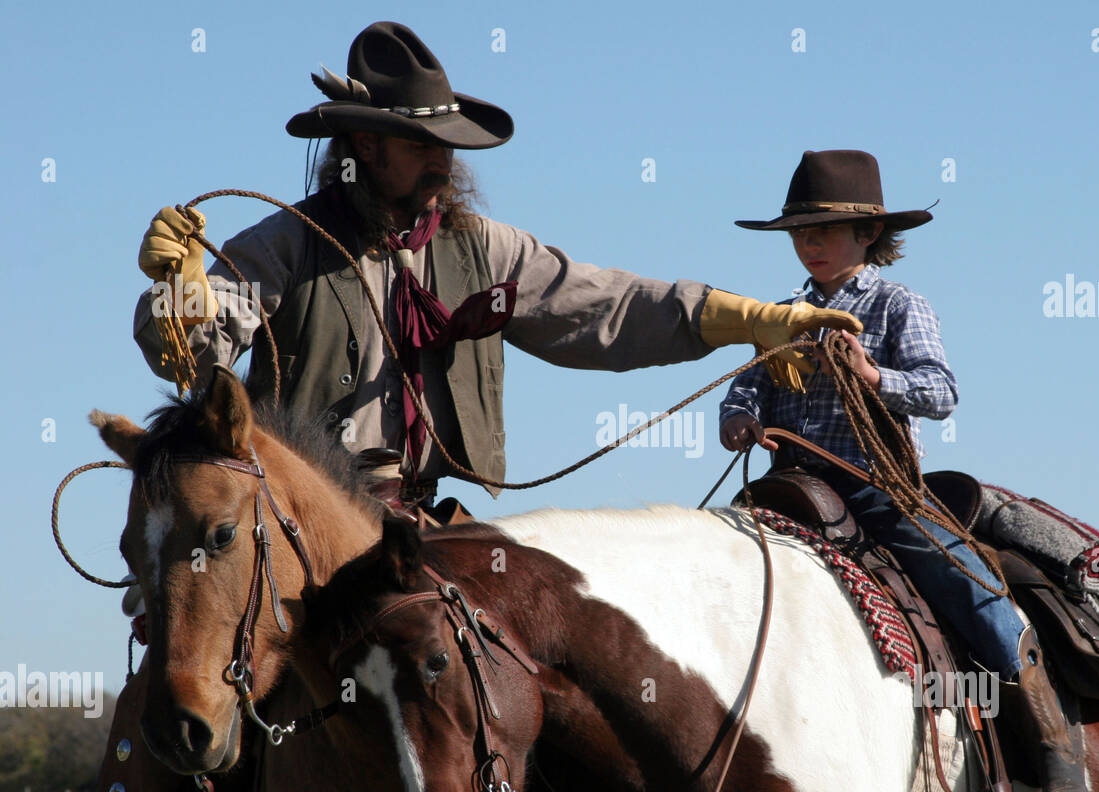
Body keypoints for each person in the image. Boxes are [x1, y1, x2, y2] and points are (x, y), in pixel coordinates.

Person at [133, 20, 860, 503]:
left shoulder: (485, 249)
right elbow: (190, 356)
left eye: (448, 147)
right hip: (302, 524)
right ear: (363, 147)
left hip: (425, 527)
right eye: (423, 146)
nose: (442, 163)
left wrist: (748, 319)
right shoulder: (288, 242)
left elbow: (607, 307)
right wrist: (180, 294)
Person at [718, 149, 1091, 792]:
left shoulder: (897, 306)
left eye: (823, 231)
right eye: (800, 233)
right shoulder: (777, 316)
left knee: (968, 585)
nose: (809, 244)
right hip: (788, 489)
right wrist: (740, 418)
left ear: (867, 235)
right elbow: (743, 388)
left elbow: (941, 392)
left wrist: (872, 377)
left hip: (877, 488)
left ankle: (1054, 741)